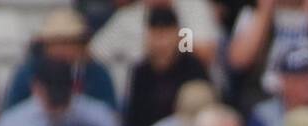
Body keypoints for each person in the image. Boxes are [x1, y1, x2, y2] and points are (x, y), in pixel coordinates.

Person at [121, 6, 210, 126]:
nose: (161, 42)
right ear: (147, 36)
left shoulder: (192, 66)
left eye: (166, 34)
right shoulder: (140, 71)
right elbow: (134, 121)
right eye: (156, 34)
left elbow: (209, 112)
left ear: (177, 34)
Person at [89, 0, 221, 102]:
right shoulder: (127, 17)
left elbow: (206, 54)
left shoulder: (192, 7)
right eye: (156, 34)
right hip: (146, 87)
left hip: (186, 85)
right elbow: (92, 53)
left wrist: (173, 44)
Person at [2, 9, 119, 112]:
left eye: (69, 43)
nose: (62, 50)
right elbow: (12, 112)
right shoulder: (27, 73)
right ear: (45, 46)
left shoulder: (97, 74)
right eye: (56, 43)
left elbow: (109, 113)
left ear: (81, 46)